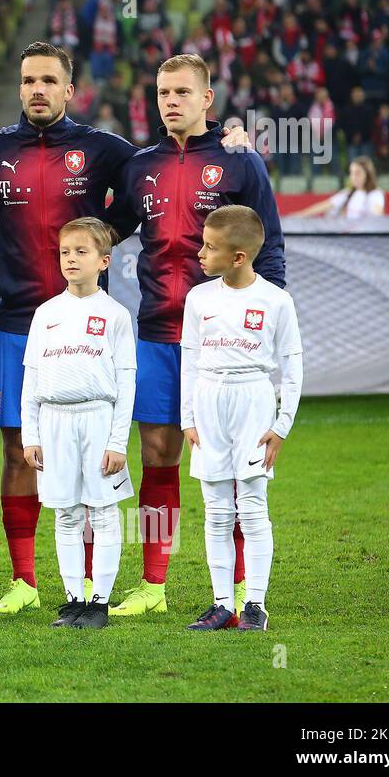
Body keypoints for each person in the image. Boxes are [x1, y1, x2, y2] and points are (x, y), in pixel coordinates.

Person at [0, 42, 250, 616]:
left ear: (68, 88)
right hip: (55, 320)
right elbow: (111, 223)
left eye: (49, 80)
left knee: (197, 456)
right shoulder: (2, 148)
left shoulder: (118, 152)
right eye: (28, 80)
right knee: (49, 451)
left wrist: (227, 133)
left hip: (185, 328)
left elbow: (254, 239)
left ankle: (206, 585)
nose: (37, 90)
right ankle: (62, 584)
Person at [106, 53, 285, 618]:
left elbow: (270, 247)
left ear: (207, 99)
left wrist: (266, 324)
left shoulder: (239, 162)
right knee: (157, 453)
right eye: (163, 93)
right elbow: (111, 228)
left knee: (231, 465)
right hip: (158, 330)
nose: (171, 101)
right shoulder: (140, 166)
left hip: (225, 341)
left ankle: (236, 593)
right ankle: (154, 584)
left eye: (183, 92)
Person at [181, 206, 303, 632]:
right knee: (216, 510)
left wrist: (282, 424)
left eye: (209, 247)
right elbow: (190, 360)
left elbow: (291, 365)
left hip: (253, 399)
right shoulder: (198, 298)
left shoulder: (275, 300)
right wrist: (187, 418)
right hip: (209, 400)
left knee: (251, 506)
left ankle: (255, 604)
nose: (200, 253)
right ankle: (221, 605)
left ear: (238, 257)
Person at [20, 217, 135, 629]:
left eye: (81, 252)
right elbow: (31, 377)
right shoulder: (46, 313)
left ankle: (99, 603)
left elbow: (126, 381)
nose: (71, 259)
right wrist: (30, 434)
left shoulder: (115, 315)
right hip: (54, 421)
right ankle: (72, 600)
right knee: (65, 513)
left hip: (98, 419)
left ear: (103, 261)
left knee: (102, 513)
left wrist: (118, 441)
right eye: (65, 251)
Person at [293, 156, 384, 220]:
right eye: (351, 173)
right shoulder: (348, 193)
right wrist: (300, 215)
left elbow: (377, 213)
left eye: (358, 173)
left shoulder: (375, 193)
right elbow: (325, 205)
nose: (353, 177)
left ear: (367, 174)